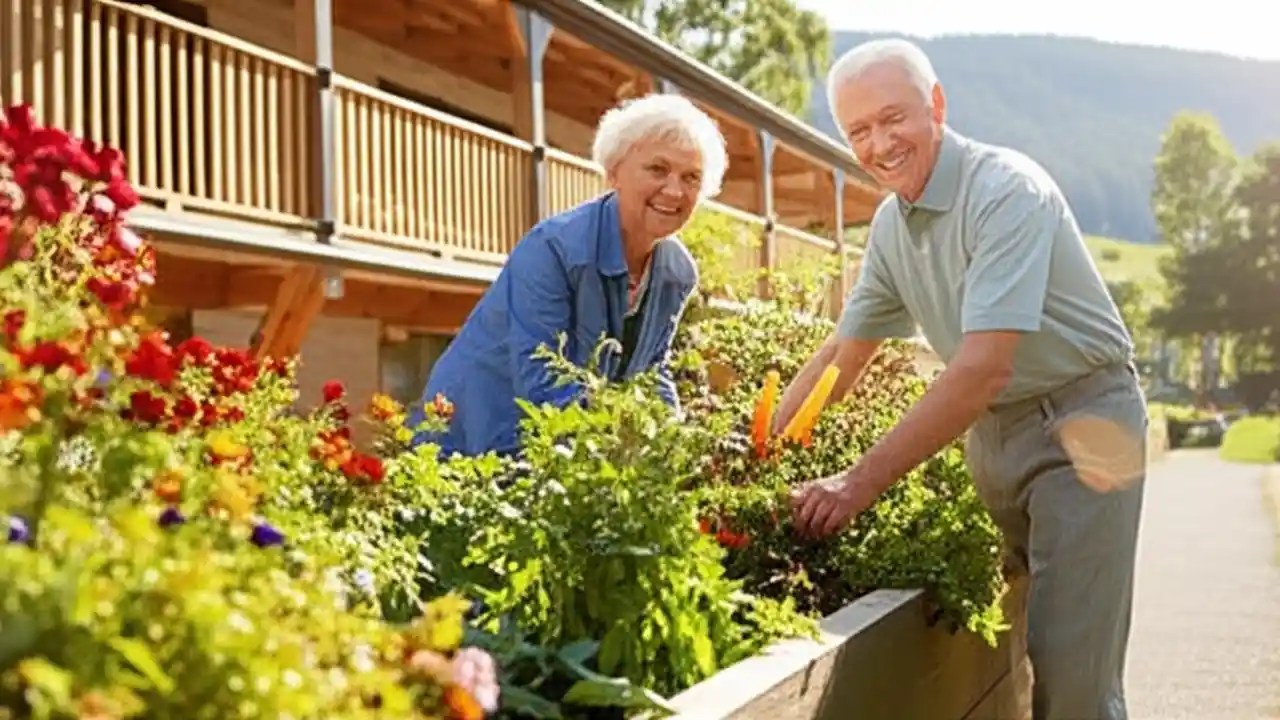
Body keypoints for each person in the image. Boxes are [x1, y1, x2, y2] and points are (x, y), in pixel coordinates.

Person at [777, 39, 1147, 720]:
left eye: (894, 118)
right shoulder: (892, 225)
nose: (879, 143)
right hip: (995, 434)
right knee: (1017, 653)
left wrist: (855, 484)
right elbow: (843, 354)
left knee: (1072, 674)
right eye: (858, 130)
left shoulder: (1006, 191)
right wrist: (767, 448)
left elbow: (981, 367)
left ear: (937, 105)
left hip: (1084, 424)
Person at [410, 93, 726, 458]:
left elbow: (652, 370)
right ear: (614, 172)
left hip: (568, 445)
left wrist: (674, 446)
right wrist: (621, 442)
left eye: (691, 178)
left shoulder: (677, 273)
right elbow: (541, 376)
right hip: (474, 436)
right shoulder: (555, 248)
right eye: (657, 169)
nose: (674, 190)